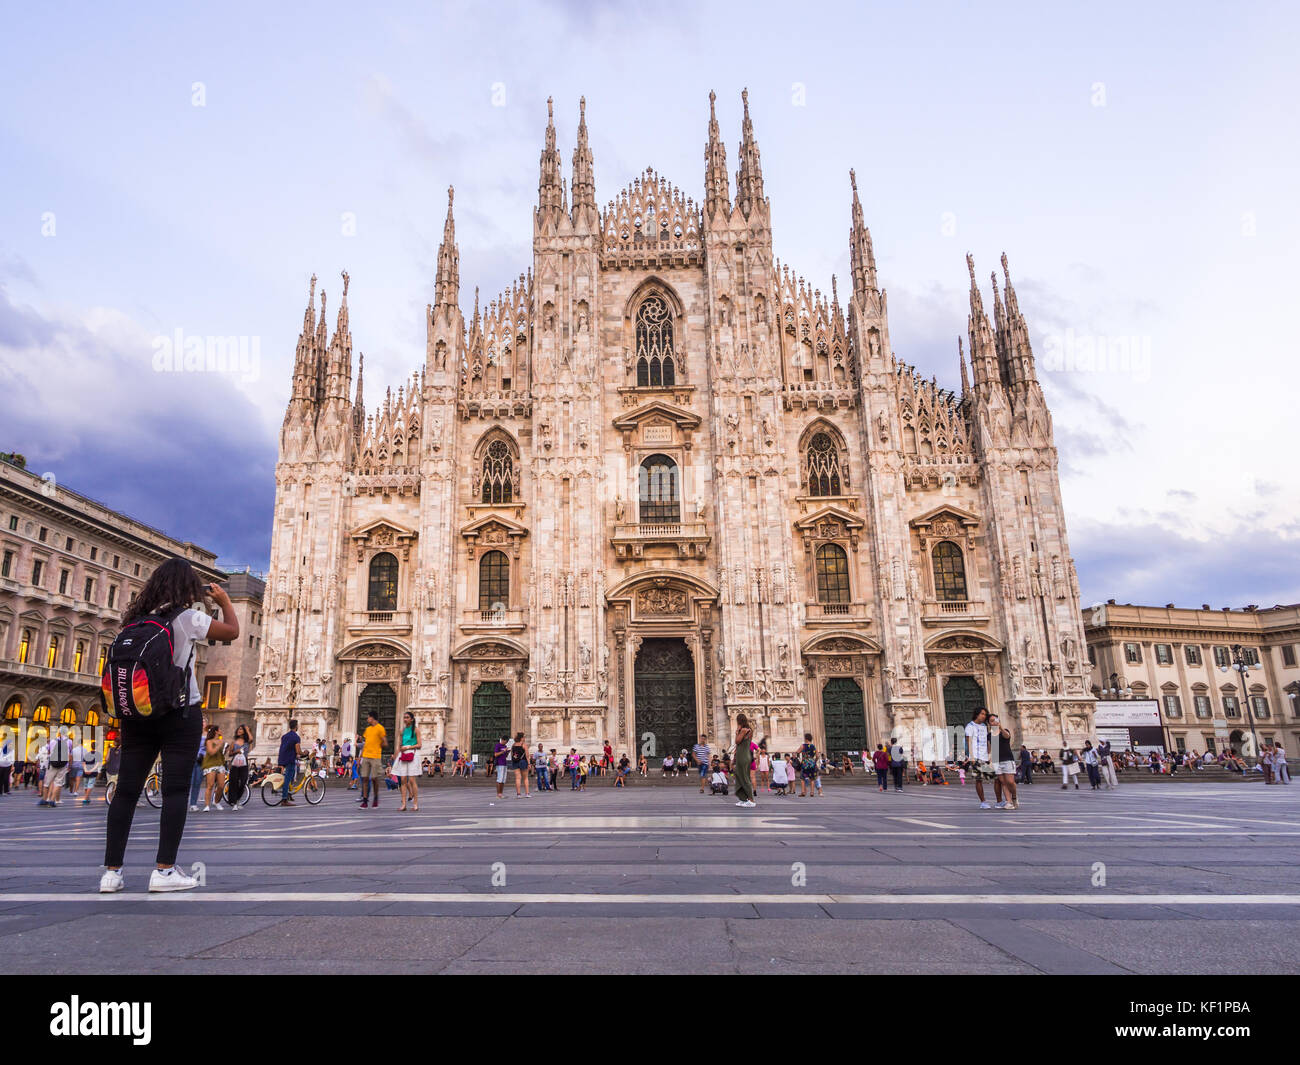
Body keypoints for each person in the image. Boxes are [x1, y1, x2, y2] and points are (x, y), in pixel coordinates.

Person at [101, 559, 240, 894]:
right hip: (179, 713)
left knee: (126, 792)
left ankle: (111, 873)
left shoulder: (133, 621)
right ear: (187, 588)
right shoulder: (187, 618)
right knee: (175, 790)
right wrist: (224, 602)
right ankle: (163, 872)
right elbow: (232, 632)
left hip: (138, 713)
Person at [988, 713, 1018, 810]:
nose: (994, 722)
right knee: (1003, 782)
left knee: (1010, 781)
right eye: (991, 721)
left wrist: (1000, 727)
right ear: (989, 723)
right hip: (997, 761)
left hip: (1007, 759)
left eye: (995, 720)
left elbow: (1007, 736)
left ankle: (1014, 796)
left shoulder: (1004, 732)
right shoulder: (989, 735)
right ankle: (1008, 802)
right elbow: (990, 749)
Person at [358, 709, 387, 808]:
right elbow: (366, 743)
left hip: (375, 756)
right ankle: (365, 800)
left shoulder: (380, 728)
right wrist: (360, 757)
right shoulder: (367, 729)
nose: (367, 719)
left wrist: (381, 744)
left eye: (368, 717)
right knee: (365, 778)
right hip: (366, 756)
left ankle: (376, 797)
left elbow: (385, 742)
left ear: (372, 718)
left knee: (374, 779)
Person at [965, 708, 992, 809]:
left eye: (985, 714)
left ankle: (999, 800)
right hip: (976, 757)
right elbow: (969, 742)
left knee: (997, 777)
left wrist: (990, 754)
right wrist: (971, 756)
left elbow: (987, 741)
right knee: (979, 779)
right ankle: (983, 801)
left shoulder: (985, 726)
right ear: (976, 714)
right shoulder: (970, 726)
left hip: (985, 756)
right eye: (982, 714)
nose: (984, 716)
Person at [394, 711, 421, 811]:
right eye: (404, 717)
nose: (405, 719)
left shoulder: (416, 730)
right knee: (403, 780)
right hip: (403, 755)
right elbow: (399, 745)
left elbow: (419, 745)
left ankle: (415, 804)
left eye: (407, 717)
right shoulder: (402, 731)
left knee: (412, 780)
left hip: (412, 754)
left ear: (412, 719)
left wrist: (408, 747)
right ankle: (404, 804)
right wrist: (396, 756)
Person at [277, 719, 304, 807]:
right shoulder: (296, 737)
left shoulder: (284, 736)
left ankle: (288, 794)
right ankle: (284, 799)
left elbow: (286, 748)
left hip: (282, 758)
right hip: (289, 759)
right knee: (288, 779)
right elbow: (298, 750)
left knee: (290, 776)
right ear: (296, 726)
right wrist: (305, 753)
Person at [201, 725, 227, 811]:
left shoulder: (220, 740)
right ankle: (207, 805)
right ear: (216, 731)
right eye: (219, 729)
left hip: (220, 764)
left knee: (221, 785)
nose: (221, 731)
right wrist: (218, 745)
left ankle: (216, 802)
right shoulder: (209, 741)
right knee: (210, 785)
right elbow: (211, 752)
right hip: (210, 764)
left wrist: (224, 748)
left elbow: (222, 753)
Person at [733, 713, 756, 808]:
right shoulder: (748, 730)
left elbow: (737, 741)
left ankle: (751, 799)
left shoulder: (743, 730)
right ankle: (743, 798)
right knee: (739, 776)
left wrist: (738, 732)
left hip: (743, 756)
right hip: (743, 755)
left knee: (744, 777)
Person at [226, 725, 252, 808]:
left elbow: (251, 739)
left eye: (241, 729)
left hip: (244, 764)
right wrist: (236, 751)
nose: (239, 730)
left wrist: (247, 730)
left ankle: (237, 799)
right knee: (234, 782)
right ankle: (234, 801)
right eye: (238, 729)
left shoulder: (247, 742)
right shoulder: (234, 742)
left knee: (243, 781)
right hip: (235, 764)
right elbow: (229, 754)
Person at [509, 731, 530, 798]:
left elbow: (512, 754)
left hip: (515, 762)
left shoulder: (513, 745)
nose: (524, 738)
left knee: (518, 778)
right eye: (524, 737)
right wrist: (529, 763)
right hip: (523, 762)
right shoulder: (523, 745)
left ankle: (518, 794)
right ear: (521, 738)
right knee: (525, 778)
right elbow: (527, 755)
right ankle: (527, 793)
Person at [797, 732, 817, 798]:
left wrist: (800, 758)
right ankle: (812, 792)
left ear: (806, 739)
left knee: (802, 778)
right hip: (812, 763)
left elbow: (797, 752)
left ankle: (803, 792)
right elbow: (817, 755)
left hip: (805, 763)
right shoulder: (813, 746)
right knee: (812, 778)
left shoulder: (803, 745)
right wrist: (815, 761)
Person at [0, 729, 14, 797]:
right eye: (10, 743)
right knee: (0, 778)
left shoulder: (12, 750)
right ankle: (0, 791)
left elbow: (12, 758)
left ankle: (6, 790)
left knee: (6, 778)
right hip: (1, 765)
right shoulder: (1, 749)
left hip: (8, 765)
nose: (11, 745)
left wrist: (12, 766)